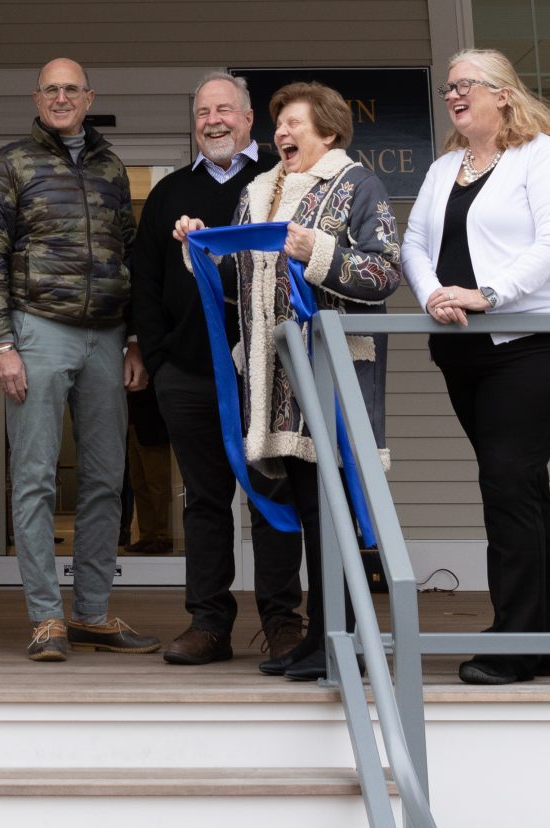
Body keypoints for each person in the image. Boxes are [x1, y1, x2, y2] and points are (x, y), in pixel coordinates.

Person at [179, 81, 399, 684]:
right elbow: (244, 285)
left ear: (328, 131)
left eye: (294, 123)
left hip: (333, 374)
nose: (281, 133)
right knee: (310, 510)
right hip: (276, 380)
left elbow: (384, 272)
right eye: (278, 125)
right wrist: (203, 250)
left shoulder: (358, 185)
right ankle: (322, 637)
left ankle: (344, 640)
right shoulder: (256, 193)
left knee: (335, 509)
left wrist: (318, 250)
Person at [399, 48, 550, 685]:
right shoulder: (443, 169)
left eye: (466, 85)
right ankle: (549, 642)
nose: (454, 95)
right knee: (521, 485)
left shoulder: (540, 155)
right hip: (465, 350)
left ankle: (514, 641)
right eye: (448, 88)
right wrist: (432, 293)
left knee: (507, 478)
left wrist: (489, 294)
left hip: (539, 340)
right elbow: (414, 243)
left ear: (503, 93)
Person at [0, 57, 161, 663]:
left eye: (71, 89)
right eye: (50, 89)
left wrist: (135, 339)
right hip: (37, 328)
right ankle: (46, 618)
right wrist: (2, 344)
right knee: (34, 478)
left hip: (106, 335)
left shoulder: (111, 167)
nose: (61, 98)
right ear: (37, 98)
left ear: (89, 97)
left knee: (106, 477)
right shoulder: (9, 163)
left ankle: (92, 613)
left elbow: (129, 255)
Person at [129, 71, 304, 668]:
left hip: (268, 372)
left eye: (225, 110)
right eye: (204, 112)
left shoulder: (280, 180)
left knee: (272, 496)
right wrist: (159, 359)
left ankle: (283, 623)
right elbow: (145, 281)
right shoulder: (170, 192)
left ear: (249, 119)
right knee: (204, 501)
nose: (214, 121)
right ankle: (208, 624)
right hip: (188, 375)